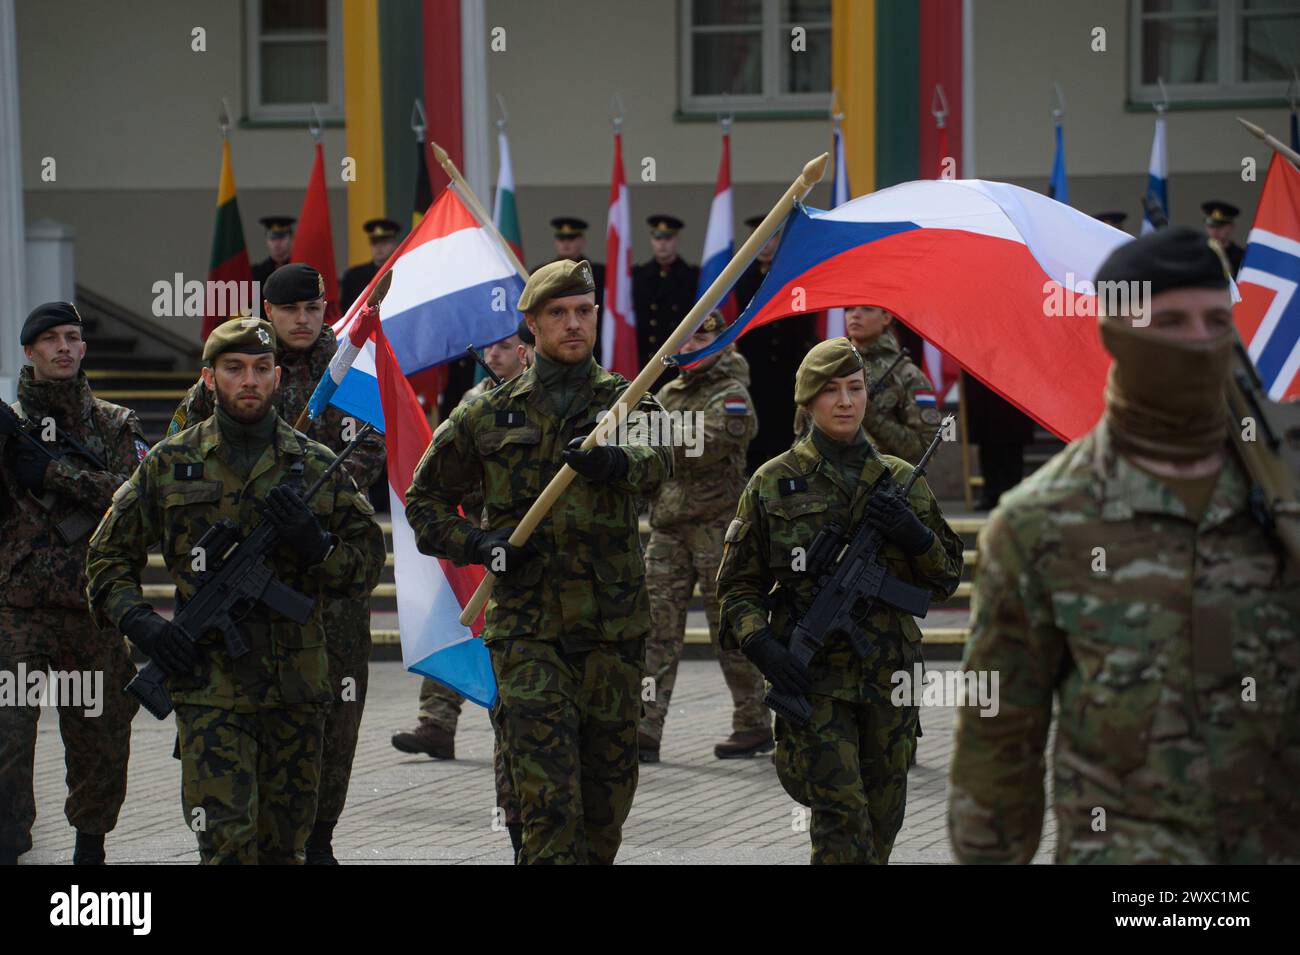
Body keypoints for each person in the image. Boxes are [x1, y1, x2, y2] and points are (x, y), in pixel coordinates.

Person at [948, 226, 1300, 864]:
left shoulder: (1285, 492)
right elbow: (999, 739)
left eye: (1216, 320)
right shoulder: (1042, 522)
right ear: (1116, 336)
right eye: (1170, 321)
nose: (1199, 342)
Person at [86, 318, 384, 865]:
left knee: (285, 850)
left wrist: (316, 545)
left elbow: (364, 566)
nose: (250, 380)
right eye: (234, 368)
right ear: (208, 378)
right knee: (225, 845)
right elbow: (106, 557)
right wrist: (142, 624)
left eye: (262, 369)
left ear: (275, 378)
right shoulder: (171, 464)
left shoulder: (314, 465)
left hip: (296, 692)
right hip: (209, 688)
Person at [405, 259, 672, 864]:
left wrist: (614, 464)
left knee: (606, 807)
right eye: (558, 313)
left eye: (583, 311)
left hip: (612, 632)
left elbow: (659, 465)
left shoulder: (626, 402)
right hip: (528, 632)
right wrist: (479, 545)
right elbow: (422, 501)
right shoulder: (487, 413)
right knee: (547, 803)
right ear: (531, 324)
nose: (573, 324)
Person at [168, 264, 387, 864]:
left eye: (314, 308)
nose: (304, 319)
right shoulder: (236, 370)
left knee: (333, 723)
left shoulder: (351, 368)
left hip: (322, 585)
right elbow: (178, 456)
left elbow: (372, 445)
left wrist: (308, 497)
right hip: (238, 580)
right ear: (269, 310)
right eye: (291, 309)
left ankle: (319, 839)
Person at [717, 337, 963, 864]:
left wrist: (915, 536)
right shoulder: (773, 481)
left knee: (880, 826)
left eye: (855, 389)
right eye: (831, 391)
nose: (846, 401)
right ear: (808, 403)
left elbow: (944, 579)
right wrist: (762, 646)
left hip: (890, 681)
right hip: (815, 681)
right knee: (842, 824)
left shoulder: (900, 481)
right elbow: (738, 586)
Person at [0, 303, 147, 866]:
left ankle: (90, 853)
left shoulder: (115, 425)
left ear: (84, 349)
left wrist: (57, 473)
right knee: (8, 738)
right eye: (51, 339)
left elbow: (139, 500)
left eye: (73, 338)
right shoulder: (10, 427)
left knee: (99, 741)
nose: (64, 347)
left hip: (95, 607)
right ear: (30, 352)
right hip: (18, 611)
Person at [392, 321, 535, 856]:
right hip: (476, 545)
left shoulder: (546, 402)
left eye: (505, 346)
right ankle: (437, 723)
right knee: (456, 626)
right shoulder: (474, 406)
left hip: (521, 557)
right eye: (489, 348)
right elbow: (442, 480)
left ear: (524, 348)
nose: (496, 355)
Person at [638, 312, 770, 763]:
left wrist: (653, 436)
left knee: (730, 632)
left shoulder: (732, 394)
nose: (693, 343)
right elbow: (645, 451)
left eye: (703, 335)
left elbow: (709, 442)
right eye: (687, 335)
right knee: (655, 632)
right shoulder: (666, 392)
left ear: (721, 341)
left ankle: (753, 724)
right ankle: (644, 727)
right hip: (668, 531)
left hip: (718, 530)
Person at [793, 306, 941, 464]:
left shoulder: (908, 375)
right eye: (849, 309)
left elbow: (924, 451)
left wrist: (871, 416)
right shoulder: (825, 367)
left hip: (884, 480)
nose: (855, 315)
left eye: (867, 309)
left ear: (886, 317)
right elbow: (802, 433)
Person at [733, 215, 820, 474]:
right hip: (754, 373)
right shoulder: (741, 278)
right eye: (760, 238)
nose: (765, 245)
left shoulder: (792, 273)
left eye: (771, 238)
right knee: (756, 442)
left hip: (787, 371)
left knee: (785, 437)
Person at [632, 215, 699, 380]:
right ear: (651, 240)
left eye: (668, 238)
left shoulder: (693, 276)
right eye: (657, 238)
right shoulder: (637, 276)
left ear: (676, 239)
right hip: (646, 364)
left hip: (678, 364)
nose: (662, 244)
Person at [339, 218, 401, 312]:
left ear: (394, 243)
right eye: (374, 242)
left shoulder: (402, 272)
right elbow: (347, 311)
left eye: (384, 242)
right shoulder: (353, 276)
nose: (379, 247)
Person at [1201, 200, 1244, 276]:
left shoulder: (1241, 256)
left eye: (1220, 226)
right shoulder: (1199, 252)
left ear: (1231, 227)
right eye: (1211, 226)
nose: (1215, 231)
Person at [251, 216, 295, 286]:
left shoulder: (298, 270)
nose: (277, 243)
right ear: (266, 241)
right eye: (272, 238)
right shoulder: (256, 273)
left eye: (282, 237)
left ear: (291, 239)